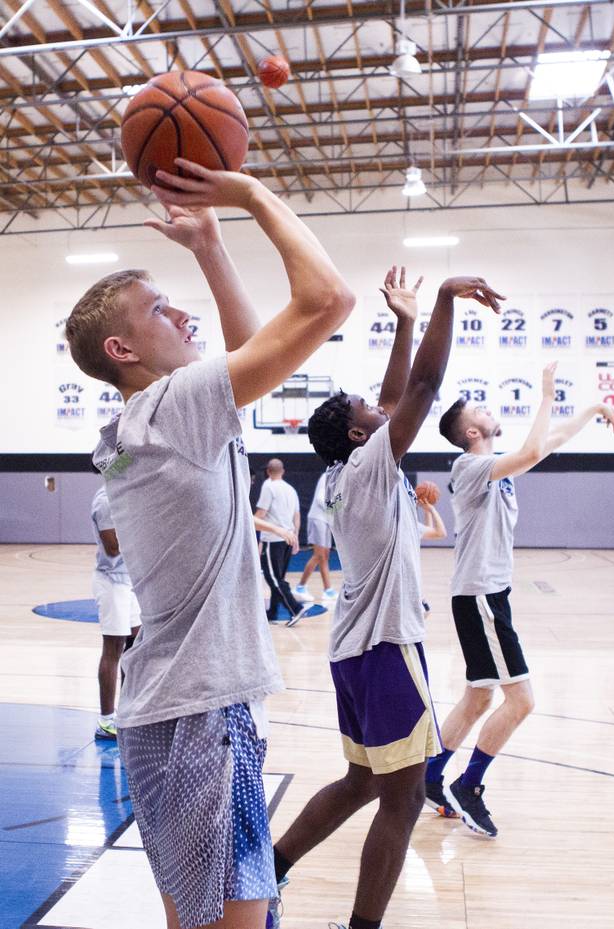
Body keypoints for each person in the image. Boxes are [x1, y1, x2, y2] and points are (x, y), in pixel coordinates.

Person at [64, 159, 355, 929]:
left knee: (214, 918)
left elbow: (252, 347)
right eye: (161, 310)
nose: (183, 316)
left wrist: (210, 247)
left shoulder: (157, 421)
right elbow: (328, 301)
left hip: (179, 706)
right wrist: (253, 193)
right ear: (124, 350)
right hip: (197, 712)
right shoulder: (170, 408)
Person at [267, 267, 504, 929]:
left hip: (354, 653)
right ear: (357, 434)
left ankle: (270, 868)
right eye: (367, 409)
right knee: (399, 798)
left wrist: (402, 320)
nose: (379, 405)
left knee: (362, 781)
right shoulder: (371, 464)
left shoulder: (355, 468)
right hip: (384, 649)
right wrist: (442, 303)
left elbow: (398, 392)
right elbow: (421, 389)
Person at [425, 363, 614, 837]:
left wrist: (593, 408)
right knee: (522, 701)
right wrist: (548, 392)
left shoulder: (499, 467)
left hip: (485, 596)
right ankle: (469, 786)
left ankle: (431, 777)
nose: (492, 412)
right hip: (481, 597)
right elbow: (534, 447)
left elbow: (547, 442)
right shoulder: (471, 466)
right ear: (472, 431)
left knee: (478, 698)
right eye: (483, 410)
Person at [90, 484, 140, 741]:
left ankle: (128, 710)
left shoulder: (128, 492)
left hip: (130, 580)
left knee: (136, 645)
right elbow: (112, 546)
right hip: (112, 581)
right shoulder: (106, 499)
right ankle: (106, 720)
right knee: (114, 648)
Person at [256, 459, 326, 624]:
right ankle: (272, 612)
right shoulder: (291, 489)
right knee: (278, 577)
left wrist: (253, 531)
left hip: (272, 539)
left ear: (267, 472)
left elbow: (260, 513)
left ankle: (295, 609)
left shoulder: (268, 486)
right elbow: (297, 516)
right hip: (288, 538)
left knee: (273, 578)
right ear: (283, 471)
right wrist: (295, 536)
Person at [293, 470, 338, 605]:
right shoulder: (328, 476)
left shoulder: (341, 480)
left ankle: (328, 589)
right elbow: (320, 499)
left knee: (325, 555)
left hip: (326, 520)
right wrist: (337, 509)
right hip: (318, 518)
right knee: (319, 555)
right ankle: (300, 587)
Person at [415, 481, 447, 620]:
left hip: (409, 579)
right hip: (408, 579)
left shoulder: (411, 525)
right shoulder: (413, 526)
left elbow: (428, 530)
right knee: (423, 611)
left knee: (424, 611)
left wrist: (426, 511)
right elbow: (441, 533)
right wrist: (432, 510)